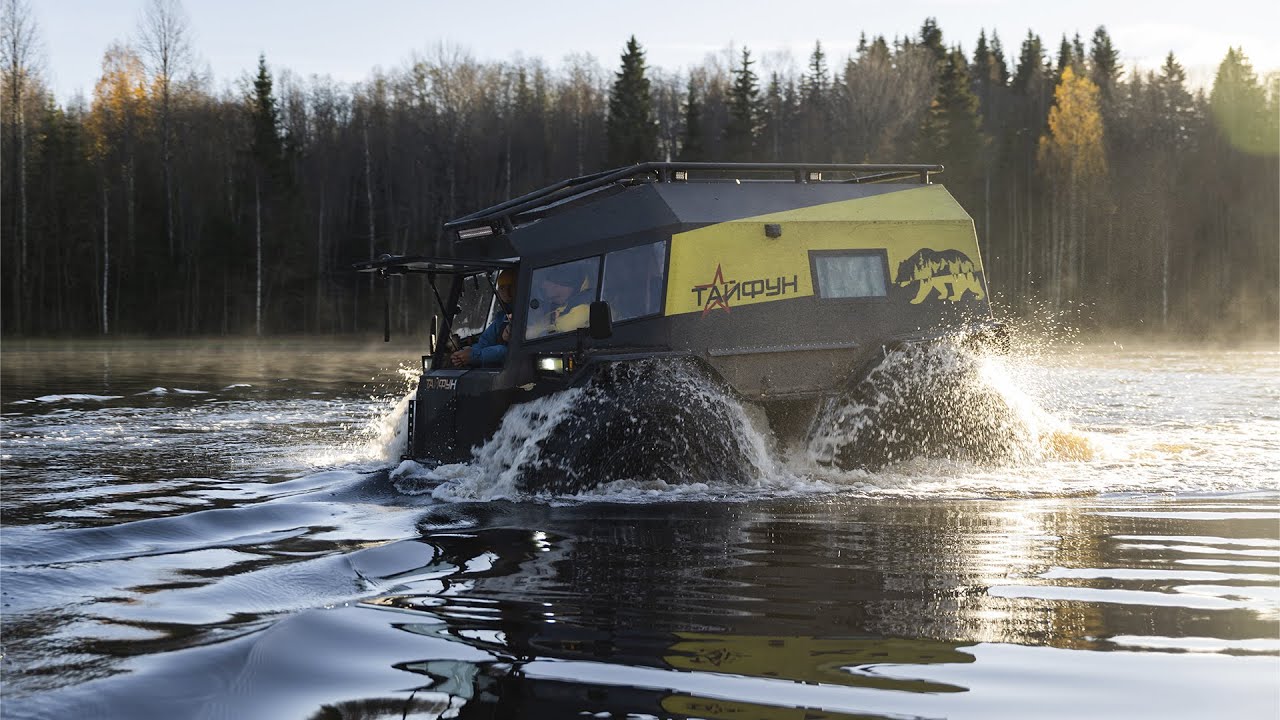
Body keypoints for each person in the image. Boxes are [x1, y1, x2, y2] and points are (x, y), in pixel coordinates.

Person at [450, 269, 515, 368]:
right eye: (501, 288)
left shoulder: (530, 313)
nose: (505, 292)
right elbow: (485, 342)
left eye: (510, 287)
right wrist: (465, 354)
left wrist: (474, 356)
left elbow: (508, 352)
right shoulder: (501, 317)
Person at [527, 264, 594, 337]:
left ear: (575, 287)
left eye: (556, 285)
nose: (550, 291)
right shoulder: (560, 307)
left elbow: (563, 328)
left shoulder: (583, 309)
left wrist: (532, 331)